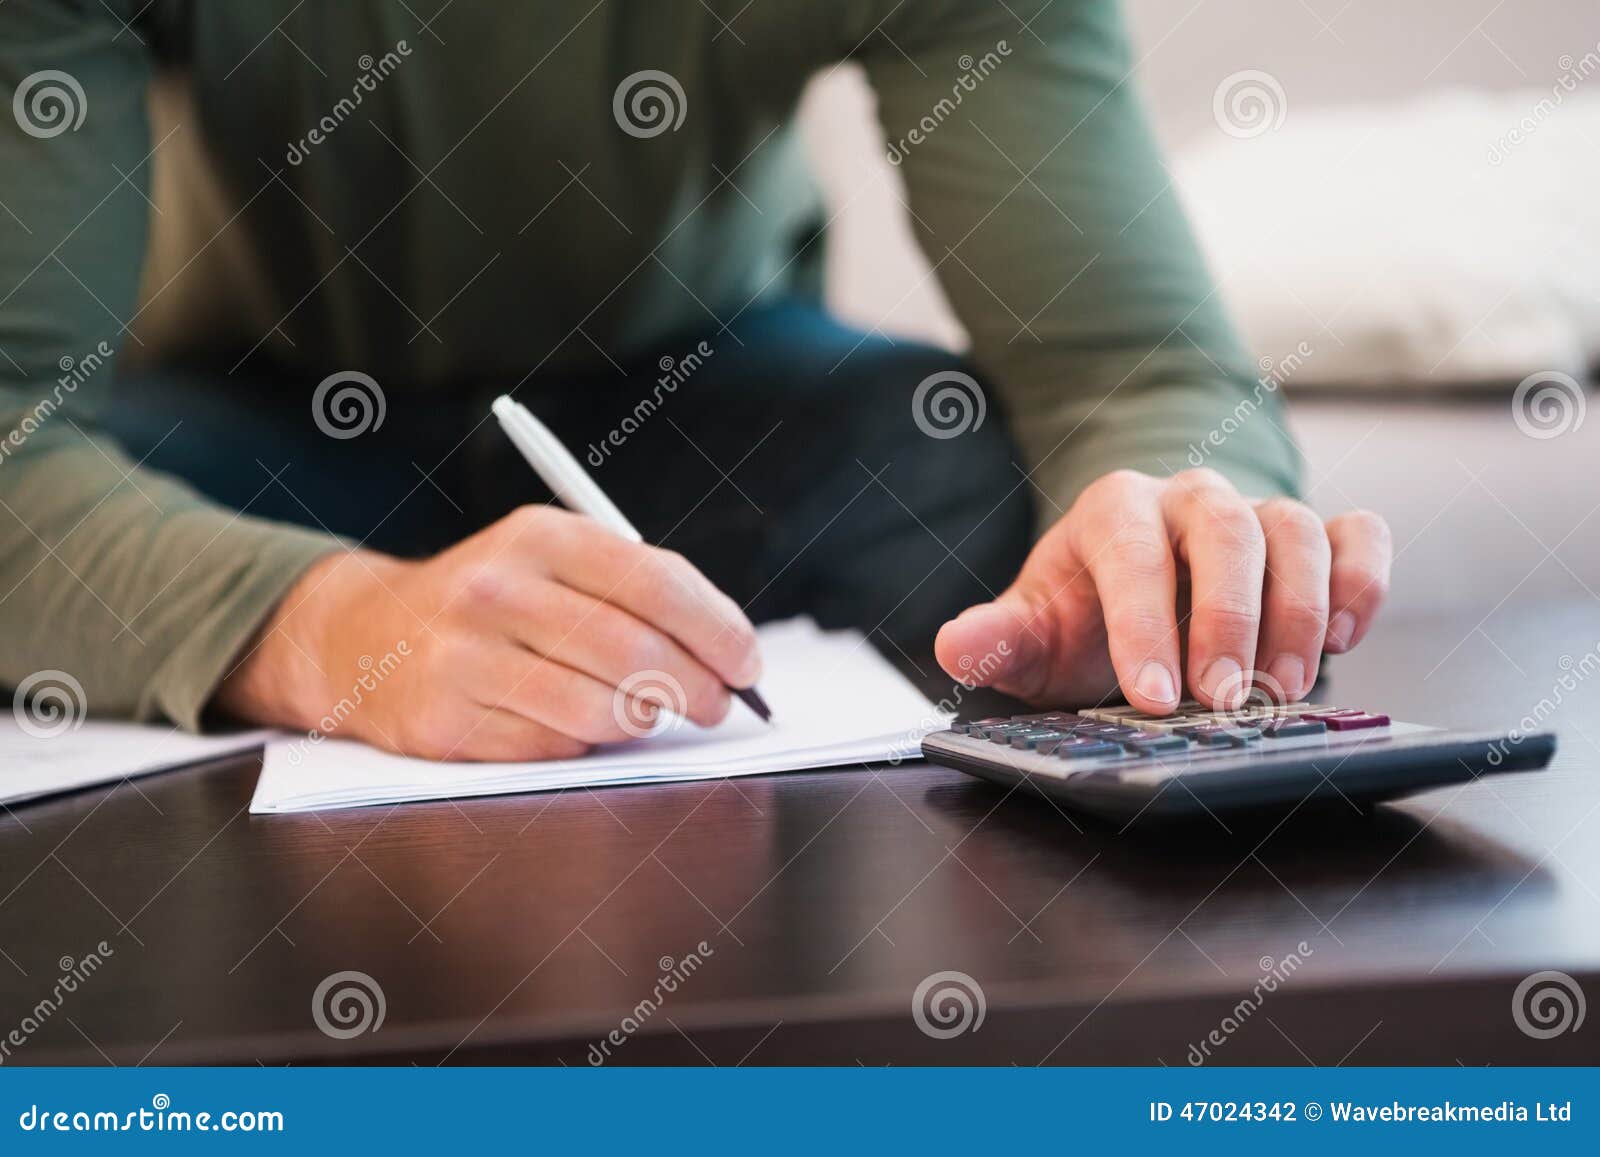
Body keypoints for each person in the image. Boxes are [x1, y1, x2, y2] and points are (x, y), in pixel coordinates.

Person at [0, 1, 1390, 761]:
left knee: (947, 463)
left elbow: (1129, 370)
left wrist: (1157, 529)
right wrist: (328, 632)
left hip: (693, 409)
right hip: (259, 435)